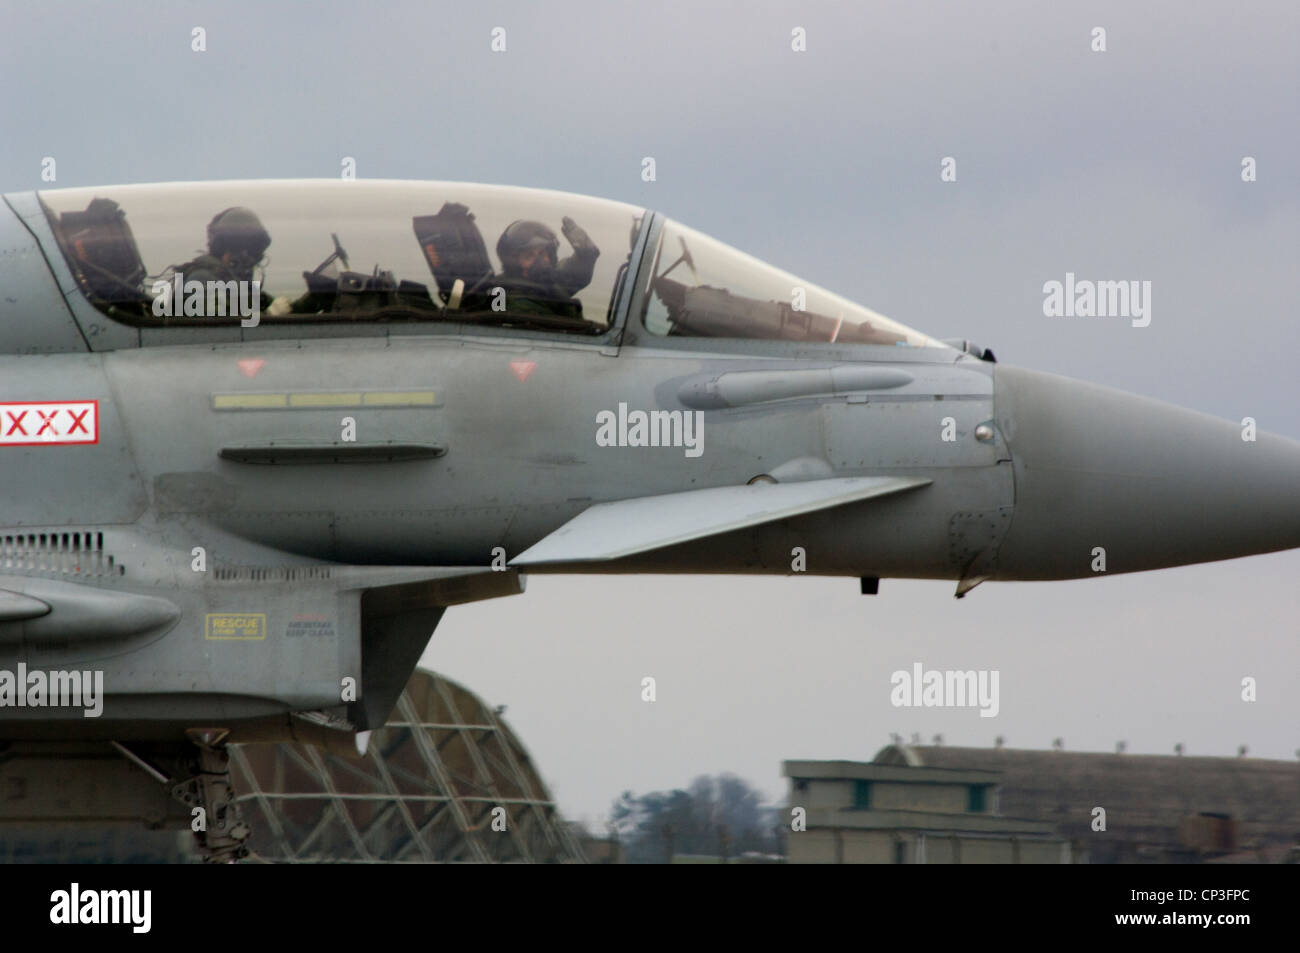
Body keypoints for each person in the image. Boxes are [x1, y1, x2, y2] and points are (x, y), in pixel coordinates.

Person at [484, 216, 600, 321]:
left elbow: (569, 276)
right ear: (513, 263)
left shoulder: (541, 285)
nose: (540, 262)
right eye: (529, 256)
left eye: (543, 253)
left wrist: (586, 255)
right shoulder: (514, 303)